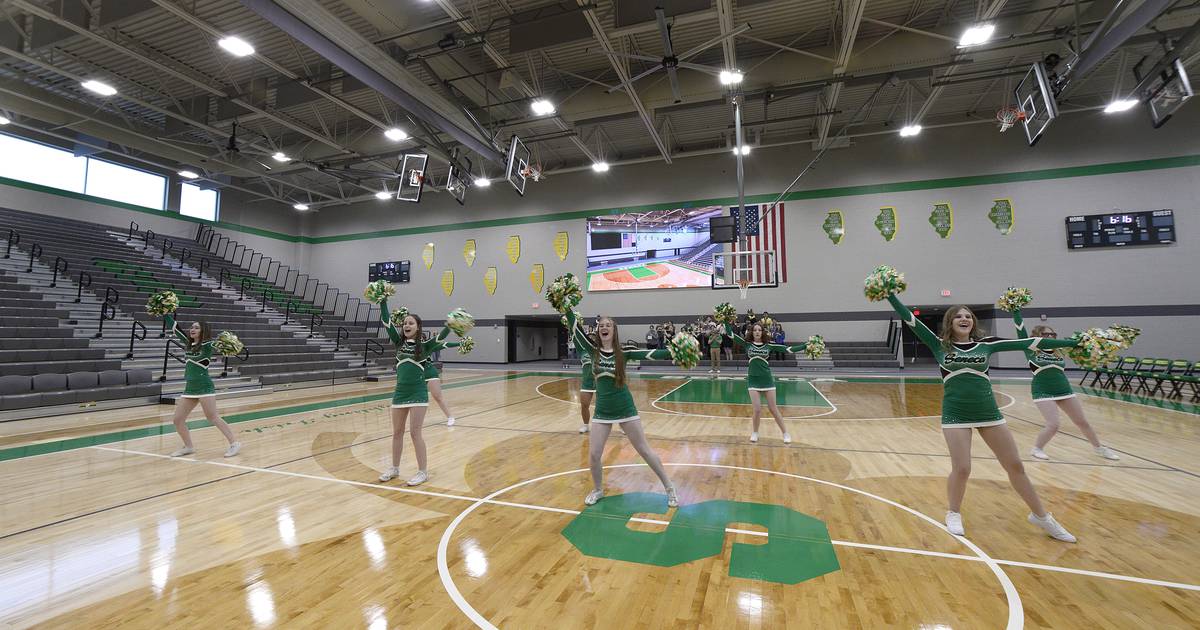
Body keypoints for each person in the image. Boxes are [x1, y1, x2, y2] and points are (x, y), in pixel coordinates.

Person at [885, 294, 1082, 541]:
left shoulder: (987, 344)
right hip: (956, 414)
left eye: (968, 315)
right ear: (950, 322)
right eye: (958, 316)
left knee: (1015, 466)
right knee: (963, 468)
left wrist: (1075, 343)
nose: (964, 318)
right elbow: (909, 319)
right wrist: (891, 295)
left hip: (989, 413)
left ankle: (1042, 517)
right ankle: (954, 512)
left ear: (973, 322)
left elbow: (1031, 342)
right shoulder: (939, 345)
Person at [567, 309, 678, 507]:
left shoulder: (624, 352)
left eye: (608, 325)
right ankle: (598, 489)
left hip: (625, 408)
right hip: (602, 411)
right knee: (593, 454)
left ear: (614, 330)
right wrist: (566, 305)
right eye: (601, 325)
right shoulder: (592, 351)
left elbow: (650, 354)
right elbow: (575, 329)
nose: (604, 327)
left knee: (644, 450)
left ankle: (669, 487)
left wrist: (675, 351)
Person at [1011, 309, 1120, 461]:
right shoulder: (1030, 350)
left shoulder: (1059, 351)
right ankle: (1037, 448)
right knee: (1053, 424)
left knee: (1082, 421)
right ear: (1037, 336)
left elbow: (1085, 349)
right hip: (1042, 390)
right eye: (1046, 334)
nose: (1050, 337)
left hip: (1064, 389)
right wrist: (1016, 311)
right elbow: (1020, 330)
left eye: (1052, 334)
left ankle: (1099, 448)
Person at [377, 297, 455, 486]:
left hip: (418, 394)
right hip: (400, 393)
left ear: (418, 327)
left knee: (415, 433)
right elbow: (387, 322)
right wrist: (383, 301)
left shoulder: (425, 347)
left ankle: (422, 471)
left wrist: (450, 325)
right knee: (396, 432)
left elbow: (441, 339)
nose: (406, 325)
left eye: (410, 323)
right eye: (405, 323)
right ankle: (394, 468)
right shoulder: (398, 343)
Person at [163, 313, 241, 458]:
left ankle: (234, 443)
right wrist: (165, 313)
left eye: (197, 328)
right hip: (190, 388)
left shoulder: (207, 345)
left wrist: (229, 344)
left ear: (203, 331)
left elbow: (223, 344)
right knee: (178, 420)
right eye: (192, 327)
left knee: (212, 417)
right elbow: (175, 328)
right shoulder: (188, 343)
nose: (192, 329)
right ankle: (188, 446)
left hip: (204, 387)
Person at [725, 321, 816, 443]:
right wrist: (725, 320)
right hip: (753, 380)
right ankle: (755, 432)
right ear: (752, 332)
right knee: (757, 409)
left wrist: (806, 345)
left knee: (773, 409)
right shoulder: (747, 344)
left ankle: (785, 433)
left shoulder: (769, 345)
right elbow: (730, 334)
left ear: (762, 332)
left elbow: (789, 350)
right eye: (755, 330)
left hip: (767, 379)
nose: (757, 332)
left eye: (759, 330)